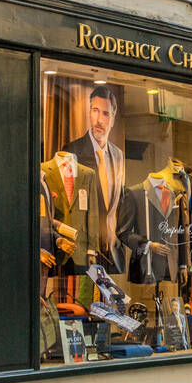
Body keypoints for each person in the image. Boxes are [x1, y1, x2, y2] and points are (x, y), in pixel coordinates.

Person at [64, 84, 126, 272]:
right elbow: (69, 203)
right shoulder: (72, 151)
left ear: (113, 119)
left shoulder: (118, 155)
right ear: (89, 112)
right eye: (95, 111)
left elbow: (119, 200)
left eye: (106, 114)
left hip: (110, 248)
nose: (99, 120)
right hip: (82, 245)